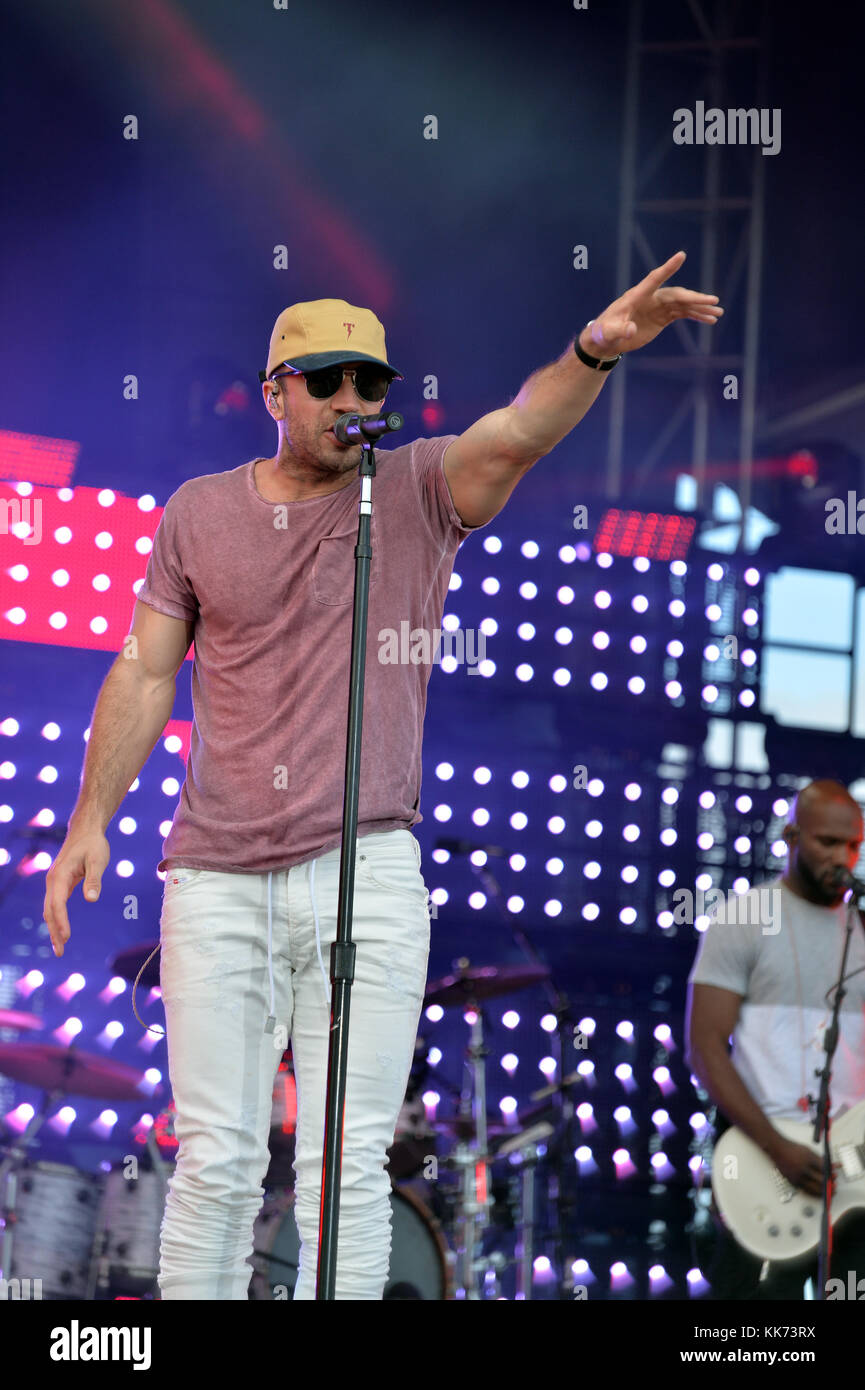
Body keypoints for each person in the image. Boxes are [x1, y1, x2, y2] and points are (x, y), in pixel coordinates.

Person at [43, 258, 722, 1299]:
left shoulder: (411, 488)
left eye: (371, 384)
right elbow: (141, 668)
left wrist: (593, 350)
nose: (353, 402)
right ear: (275, 391)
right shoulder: (198, 512)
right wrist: (92, 815)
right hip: (217, 876)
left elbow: (521, 428)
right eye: (328, 382)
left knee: (346, 1166)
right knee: (217, 1157)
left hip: (365, 867)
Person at [686, 779, 865, 1299]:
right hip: (765, 1170)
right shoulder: (744, 918)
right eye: (827, 842)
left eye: (853, 845)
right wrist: (776, 1147)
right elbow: (704, 1047)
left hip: (852, 1173)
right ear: (791, 836)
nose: (843, 857)